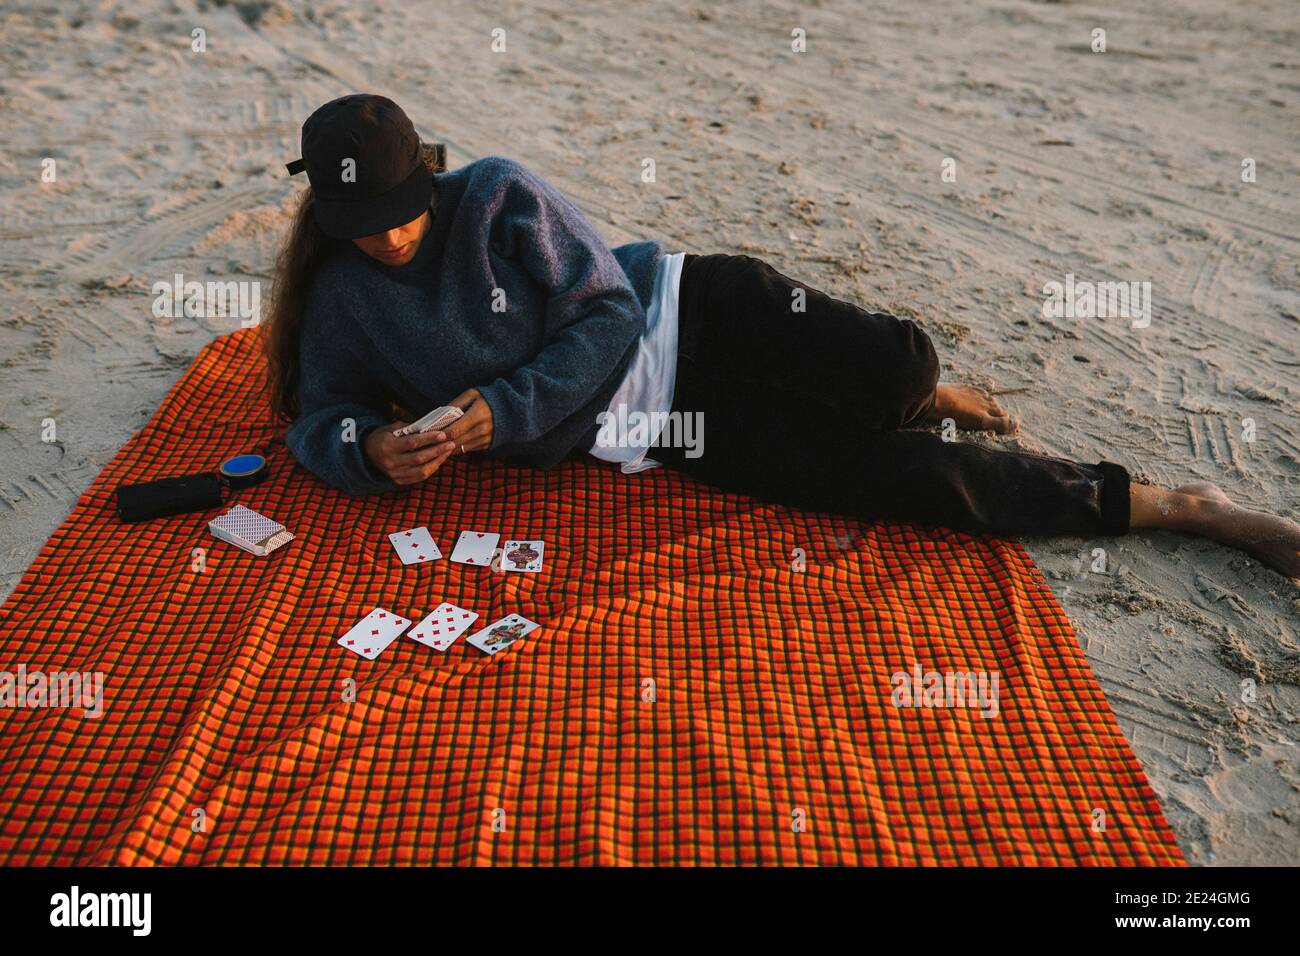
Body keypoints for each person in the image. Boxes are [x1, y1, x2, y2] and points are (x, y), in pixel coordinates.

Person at [263, 94, 1299, 580]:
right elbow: (321, 415)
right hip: (666, 427)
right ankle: (1179, 505)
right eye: (363, 228)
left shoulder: (494, 195)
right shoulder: (347, 296)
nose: (390, 237)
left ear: (428, 177)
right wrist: (367, 451)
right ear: (327, 220)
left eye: (403, 211)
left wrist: (507, 407)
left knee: (899, 366)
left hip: (686, 305)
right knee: (902, 484)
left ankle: (922, 389)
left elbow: (609, 309)